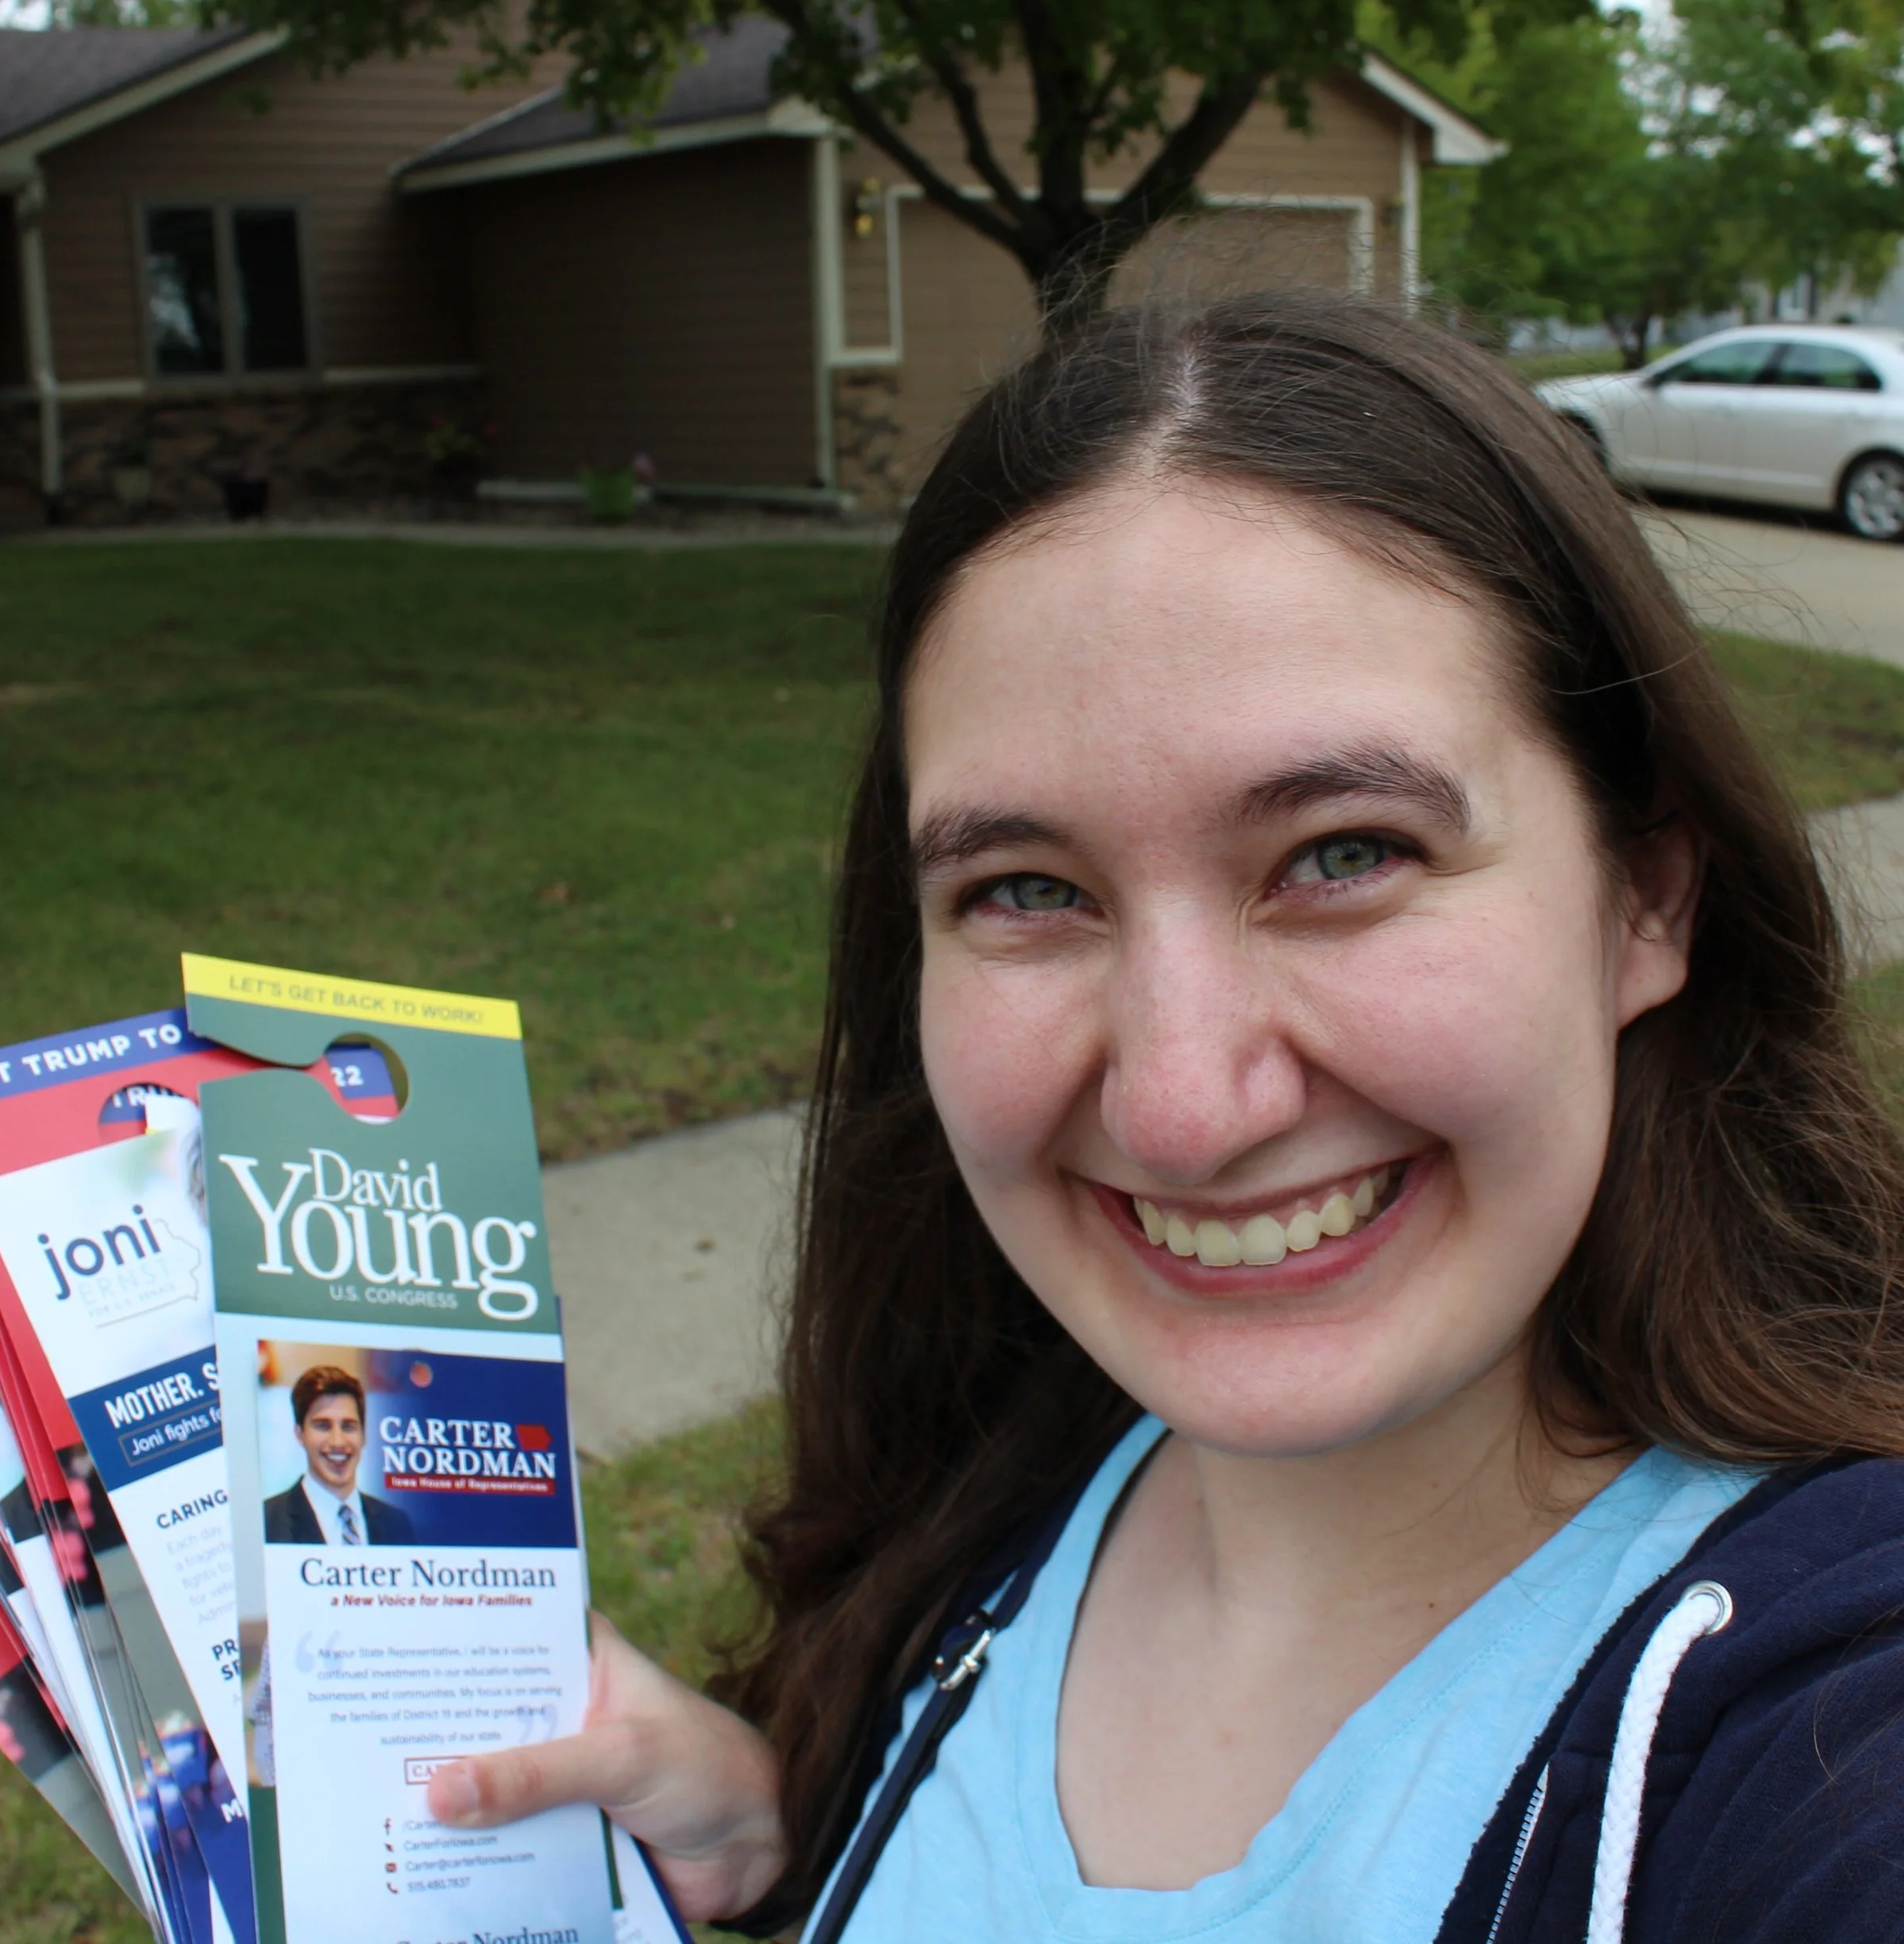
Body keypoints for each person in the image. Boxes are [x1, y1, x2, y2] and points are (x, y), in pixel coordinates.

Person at [429, 294, 1904, 1942]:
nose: (1181, 1105)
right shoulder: (1000, 1484)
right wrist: (793, 1849)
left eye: (1344, 853)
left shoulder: (1824, 1733)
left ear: (1643, 895)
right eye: (1028, 888)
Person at [263, 1363, 416, 1546]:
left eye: (348, 1426)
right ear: (299, 1434)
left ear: (364, 1435)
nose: (338, 1442)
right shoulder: (266, 1522)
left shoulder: (396, 1523)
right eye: (323, 1426)